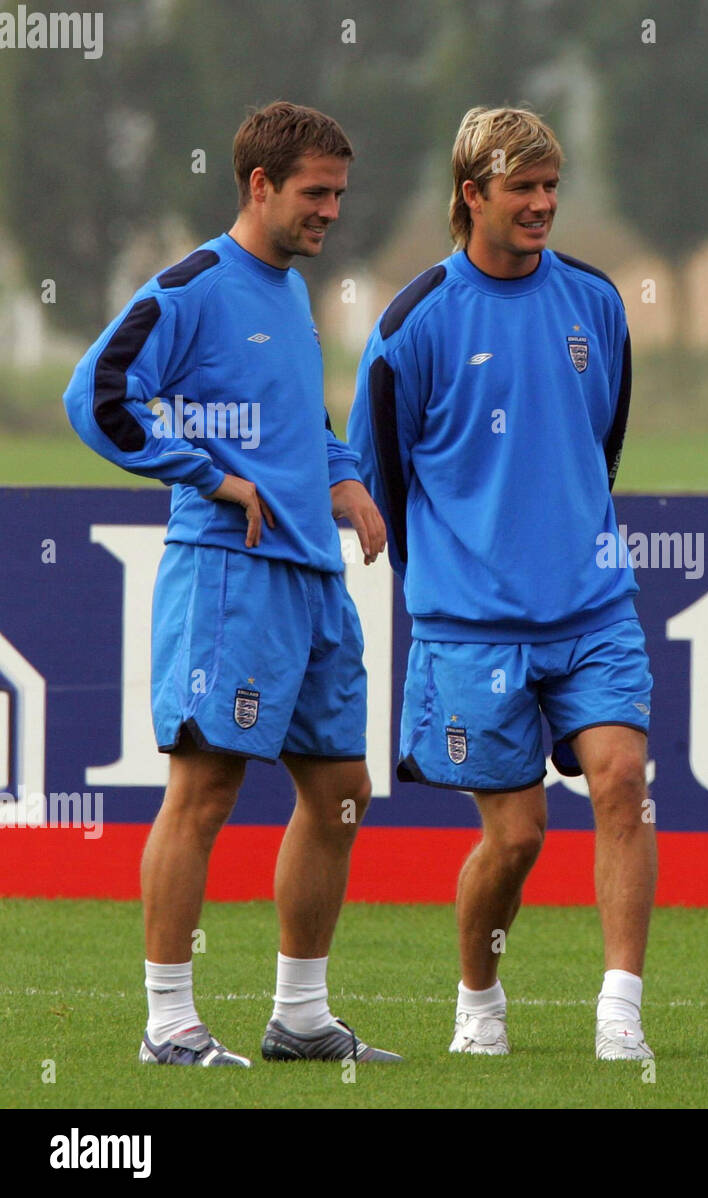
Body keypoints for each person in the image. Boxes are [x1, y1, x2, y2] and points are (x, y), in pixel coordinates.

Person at [65, 101, 397, 1067]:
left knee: (340, 790)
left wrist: (342, 478)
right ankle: (167, 1023)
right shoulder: (195, 285)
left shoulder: (289, 291)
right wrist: (207, 476)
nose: (331, 211)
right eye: (315, 194)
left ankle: (299, 1019)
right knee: (204, 789)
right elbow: (96, 397)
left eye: (338, 193)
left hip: (311, 579)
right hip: (229, 575)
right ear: (259, 185)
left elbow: (298, 420)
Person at [348, 106, 656, 1061]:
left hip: (594, 607)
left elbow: (600, 444)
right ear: (471, 195)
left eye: (550, 186)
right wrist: (459, 569)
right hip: (470, 626)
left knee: (621, 781)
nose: (541, 204)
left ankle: (620, 1010)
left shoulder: (597, 302)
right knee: (516, 837)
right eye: (521, 188)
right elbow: (377, 477)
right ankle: (479, 1002)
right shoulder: (415, 323)